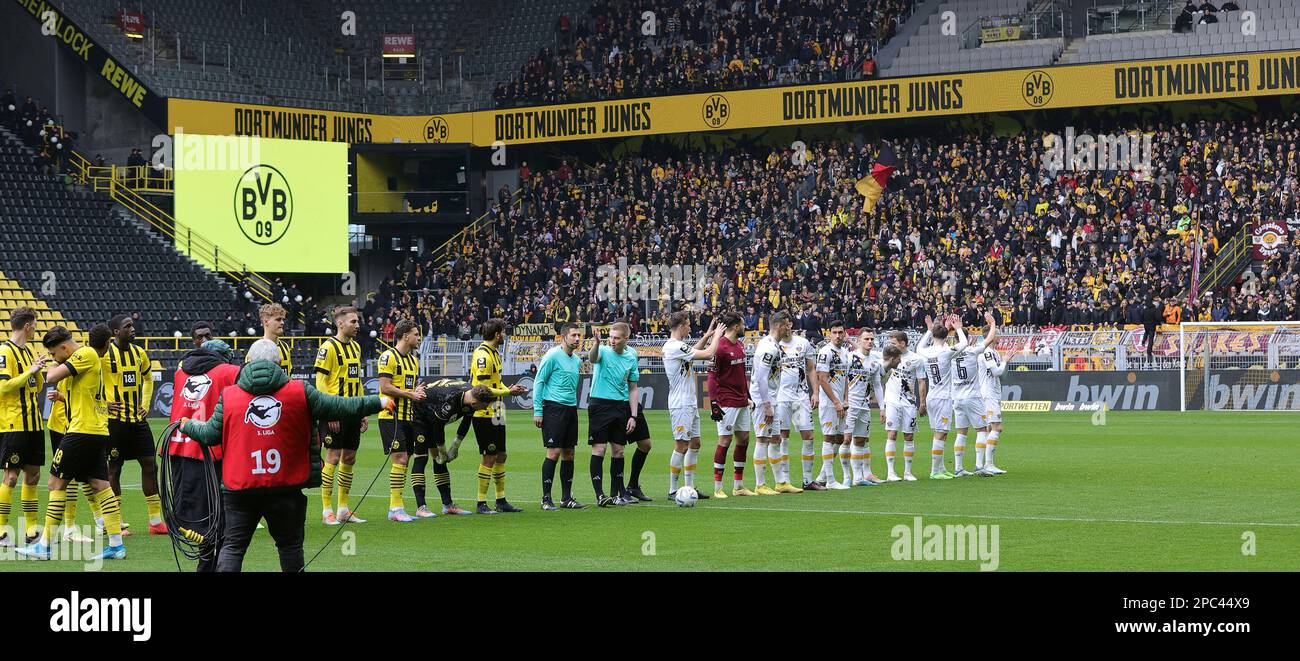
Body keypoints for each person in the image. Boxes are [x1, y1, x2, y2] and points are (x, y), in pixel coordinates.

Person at [179, 340, 393, 572]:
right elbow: (340, 406)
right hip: (285, 486)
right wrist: (379, 401)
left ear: (248, 362)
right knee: (290, 547)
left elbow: (209, 434)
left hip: (240, 488)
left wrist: (187, 425)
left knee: (233, 547)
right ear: (279, 364)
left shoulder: (229, 395)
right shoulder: (299, 391)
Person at [16, 325, 126, 560]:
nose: (54, 359)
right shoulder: (86, 358)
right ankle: (117, 545)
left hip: (81, 432)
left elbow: (51, 376)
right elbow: (80, 396)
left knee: (56, 483)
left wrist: (50, 366)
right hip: (95, 430)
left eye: (55, 354)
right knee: (100, 486)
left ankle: (44, 545)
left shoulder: (83, 354)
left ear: (65, 347)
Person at [166, 339, 240, 571]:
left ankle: (207, 564)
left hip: (178, 449)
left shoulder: (181, 371)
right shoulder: (229, 371)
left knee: (192, 518)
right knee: (216, 521)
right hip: (207, 453)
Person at [103, 314, 165, 535]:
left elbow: (148, 379)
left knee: (150, 464)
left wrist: (145, 404)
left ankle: (156, 522)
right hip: (115, 423)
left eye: (132, 325)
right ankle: (116, 523)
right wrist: (104, 403)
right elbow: (90, 381)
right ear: (115, 332)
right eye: (127, 326)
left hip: (138, 421)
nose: (132, 328)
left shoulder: (139, 353)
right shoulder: (104, 355)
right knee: (114, 469)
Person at [464, 319, 527, 515]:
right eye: (504, 332)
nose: (505, 335)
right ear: (497, 334)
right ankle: (481, 503)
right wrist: (508, 393)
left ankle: (501, 500)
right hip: (484, 412)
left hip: (497, 411)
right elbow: (481, 389)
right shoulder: (483, 355)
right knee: (489, 455)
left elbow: (494, 384)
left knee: (501, 454)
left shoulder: (494, 353)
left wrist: (507, 390)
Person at [661, 313, 723, 499]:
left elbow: (692, 352)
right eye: (688, 325)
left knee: (695, 443)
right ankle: (672, 489)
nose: (689, 328)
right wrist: (718, 336)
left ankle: (689, 487)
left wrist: (707, 336)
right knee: (681, 445)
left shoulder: (677, 347)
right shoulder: (674, 346)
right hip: (680, 404)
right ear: (681, 326)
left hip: (689, 402)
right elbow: (708, 354)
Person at [0, 307, 47, 546]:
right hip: (13, 424)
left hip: (34, 424)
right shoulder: (4, 351)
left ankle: (31, 531)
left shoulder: (29, 352)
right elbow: (4, 387)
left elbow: (37, 387)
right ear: (28, 326)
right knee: (11, 477)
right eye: (35, 325)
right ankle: (1, 531)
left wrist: (37, 370)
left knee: (33, 476)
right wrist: (31, 370)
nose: (36, 329)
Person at [317, 306, 366, 525]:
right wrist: (329, 412)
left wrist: (363, 409)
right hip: (335, 411)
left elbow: (358, 381)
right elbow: (320, 383)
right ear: (340, 323)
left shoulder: (356, 347)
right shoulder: (328, 348)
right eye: (353, 322)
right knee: (333, 457)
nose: (357, 325)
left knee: (349, 458)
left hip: (353, 411)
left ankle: (343, 509)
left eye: (357, 322)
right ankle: (327, 510)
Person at [586, 322, 642, 507]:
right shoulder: (602, 350)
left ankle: (616, 494)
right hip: (599, 404)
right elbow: (592, 359)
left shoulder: (631, 356)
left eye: (617, 338)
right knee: (599, 449)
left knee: (618, 450)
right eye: (611, 337)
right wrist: (596, 343)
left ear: (626, 338)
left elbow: (633, 388)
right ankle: (600, 495)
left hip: (619, 407)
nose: (612, 341)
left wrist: (633, 416)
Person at [376, 320, 426, 522]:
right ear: (405, 336)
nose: (418, 338)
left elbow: (411, 390)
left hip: (409, 417)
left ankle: (397, 507)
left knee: (404, 462)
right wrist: (410, 394)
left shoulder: (413, 360)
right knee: (401, 459)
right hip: (391, 416)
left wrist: (417, 392)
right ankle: (395, 508)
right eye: (416, 334)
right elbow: (385, 387)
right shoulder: (388, 357)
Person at [534, 322, 586, 510]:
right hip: (553, 408)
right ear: (563, 337)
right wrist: (538, 410)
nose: (578, 339)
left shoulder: (577, 360)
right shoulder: (552, 356)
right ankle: (546, 498)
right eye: (574, 335)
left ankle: (566, 498)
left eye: (579, 335)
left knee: (569, 453)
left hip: (570, 409)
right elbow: (539, 382)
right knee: (554, 452)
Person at [707, 312, 757, 497]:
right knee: (725, 440)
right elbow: (711, 377)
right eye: (743, 324)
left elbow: (742, 374)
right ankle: (718, 487)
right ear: (736, 326)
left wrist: (748, 396)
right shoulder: (719, 347)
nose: (745, 327)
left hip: (742, 400)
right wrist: (713, 403)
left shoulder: (740, 345)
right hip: (726, 401)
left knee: (744, 439)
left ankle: (738, 486)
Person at [916, 314, 969, 480]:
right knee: (940, 434)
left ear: (933, 336)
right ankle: (934, 471)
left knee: (940, 433)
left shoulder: (924, 352)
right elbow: (964, 343)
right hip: (943, 397)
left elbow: (918, 347)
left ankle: (941, 467)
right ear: (946, 337)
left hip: (932, 396)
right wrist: (959, 328)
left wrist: (928, 330)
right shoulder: (946, 352)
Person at [748, 312, 794, 494]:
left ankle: (781, 482)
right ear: (780, 326)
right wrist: (766, 404)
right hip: (762, 400)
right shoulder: (769, 348)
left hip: (772, 399)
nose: (789, 328)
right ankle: (760, 485)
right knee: (762, 439)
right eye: (788, 325)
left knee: (775, 438)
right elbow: (760, 377)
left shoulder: (772, 344)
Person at [950, 313, 999, 477]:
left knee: (961, 433)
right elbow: (989, 339)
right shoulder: (972, 351)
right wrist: (992, 323)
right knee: (982, 430)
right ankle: (979, 465)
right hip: (972, 397)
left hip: (956, 397)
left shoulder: (949, 353)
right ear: (967, 336)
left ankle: (958, 468)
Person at [883, 330, 927, 482]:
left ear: (902, 343)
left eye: (893, 343)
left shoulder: (917, 359)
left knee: (909, 435)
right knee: (892, 433)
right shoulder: (889, 357)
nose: (891, 346)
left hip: (909, 401)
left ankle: (908, 472)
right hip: (892, 400)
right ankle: (890, 472)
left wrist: (922, 403)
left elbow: (921, 381)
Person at [843, 332, 886, 485]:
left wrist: (882, 408)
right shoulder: (849, 357)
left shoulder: (874, 361)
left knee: (860, 440)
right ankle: (846, 477)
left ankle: (858, 478)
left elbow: (877, 385)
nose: (870, 341)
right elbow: (842, 379)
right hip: (850, 404)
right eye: (866, 339)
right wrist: (843, 400)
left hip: (865, 405)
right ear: (858, 341)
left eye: (872, 339)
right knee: (846, 439)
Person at [813, 319, 851, 489]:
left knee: (840, 437)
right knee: (829, 437)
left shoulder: (844, 352)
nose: (837, 335)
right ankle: (830, 480)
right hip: (830, 403)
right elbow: (822, 379)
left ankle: (822, 476)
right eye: (834, 332)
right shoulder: (825, 352)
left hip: (841, 402)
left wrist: (846, 399)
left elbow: (845, 378)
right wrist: (836, 401)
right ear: (829, 334)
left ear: (844, 333)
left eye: (840, 332)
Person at [976, 345, 1008, 475]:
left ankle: (985, 463)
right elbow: (996, 372)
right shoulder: (987, 352)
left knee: (989, 428)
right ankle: (988, 464)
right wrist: (1005, 361)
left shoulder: (994, 352)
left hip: (993, 393)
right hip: (989, 394)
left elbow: (1001, 375)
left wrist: (1006, 362)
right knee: (997, 427)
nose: (999, 335)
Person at [260, 304, 293, 375]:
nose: (282, 323)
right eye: (278, 319)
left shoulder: (285, 346)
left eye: (282, 319)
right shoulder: (256, 349)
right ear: (266, 322)